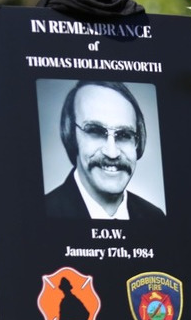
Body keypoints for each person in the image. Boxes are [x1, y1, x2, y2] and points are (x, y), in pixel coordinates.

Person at [45, 80, 165, 220]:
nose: (112, 153)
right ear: (71, 135)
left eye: (124, 135)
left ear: (137, 143)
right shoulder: (45, 212)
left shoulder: (155, 218)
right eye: (95, 131)